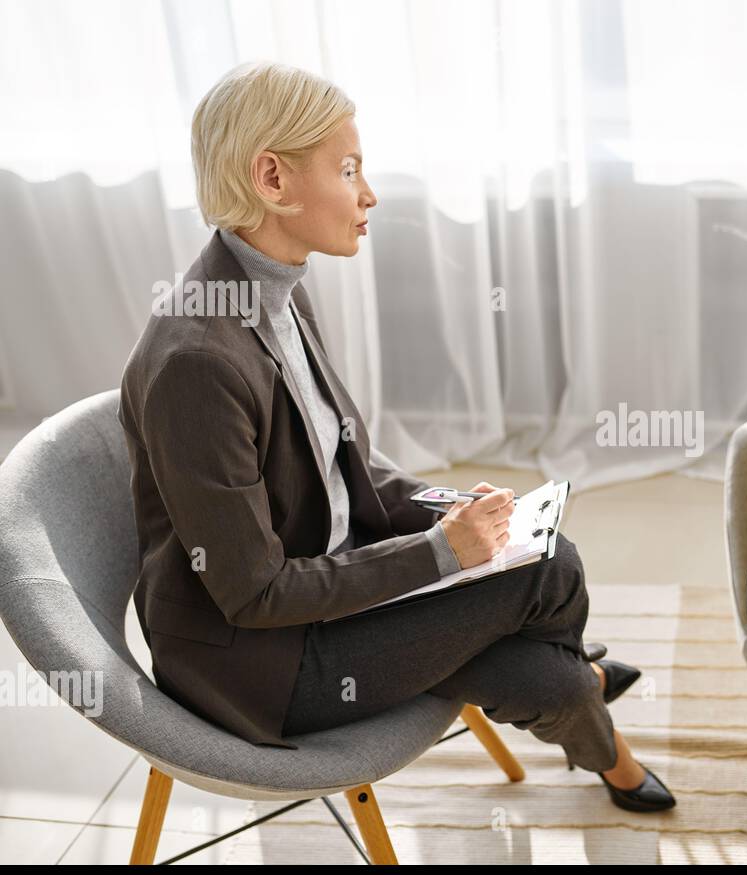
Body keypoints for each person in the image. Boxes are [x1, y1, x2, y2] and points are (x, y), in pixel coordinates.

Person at [117, 61, 673, 812]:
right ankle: (595, 713)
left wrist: (452, 507)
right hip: (264, 662)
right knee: (551, 571)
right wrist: (443, 552)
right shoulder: (198, 363)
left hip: (328, 582)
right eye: (348, 170)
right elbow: (251, 593)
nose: (369, 193)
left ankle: (584, 699)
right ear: (273, 180)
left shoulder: (275, 289)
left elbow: (342, 469)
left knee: (547, 670)